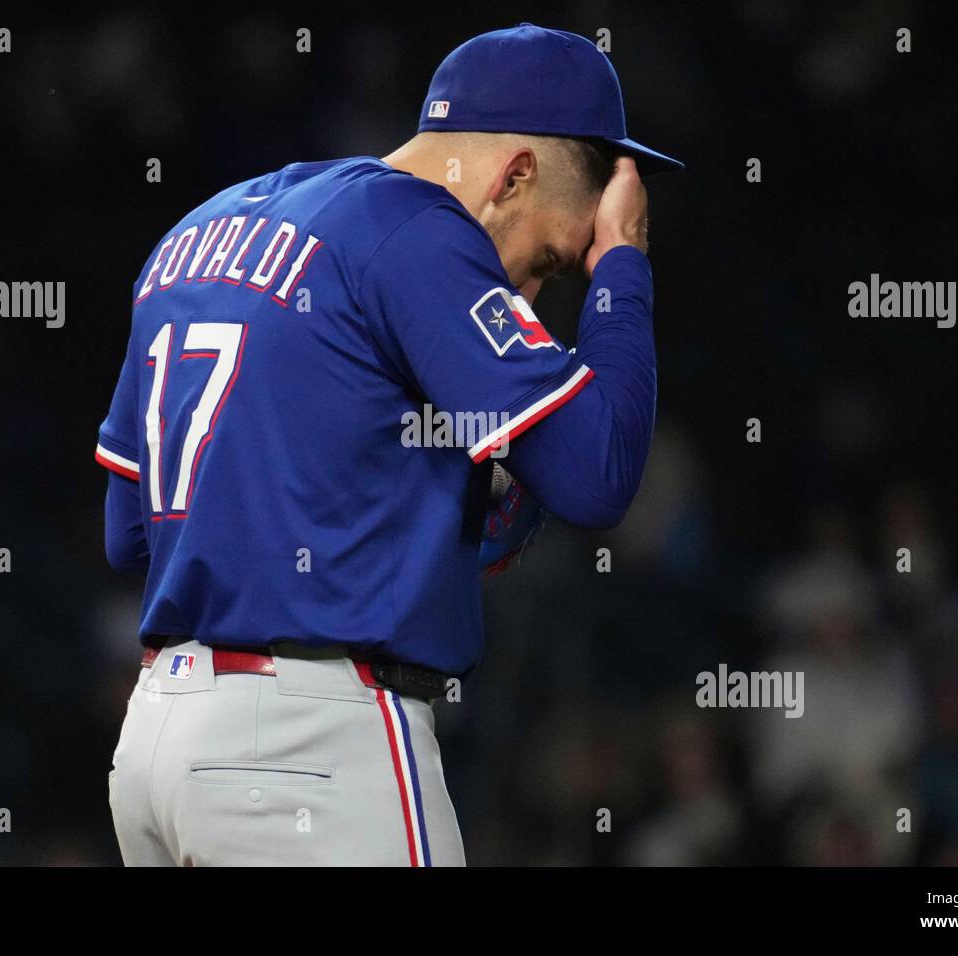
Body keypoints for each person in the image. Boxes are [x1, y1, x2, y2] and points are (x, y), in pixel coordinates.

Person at [96, 23, 678, 866]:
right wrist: (621, 264)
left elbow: (130, 534)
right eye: (551, 258)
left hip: (155, 748)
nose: (534, 292)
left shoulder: (200, 228)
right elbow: (597, 474)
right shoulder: (416, 231)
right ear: (514, 174)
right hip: (308, 755)